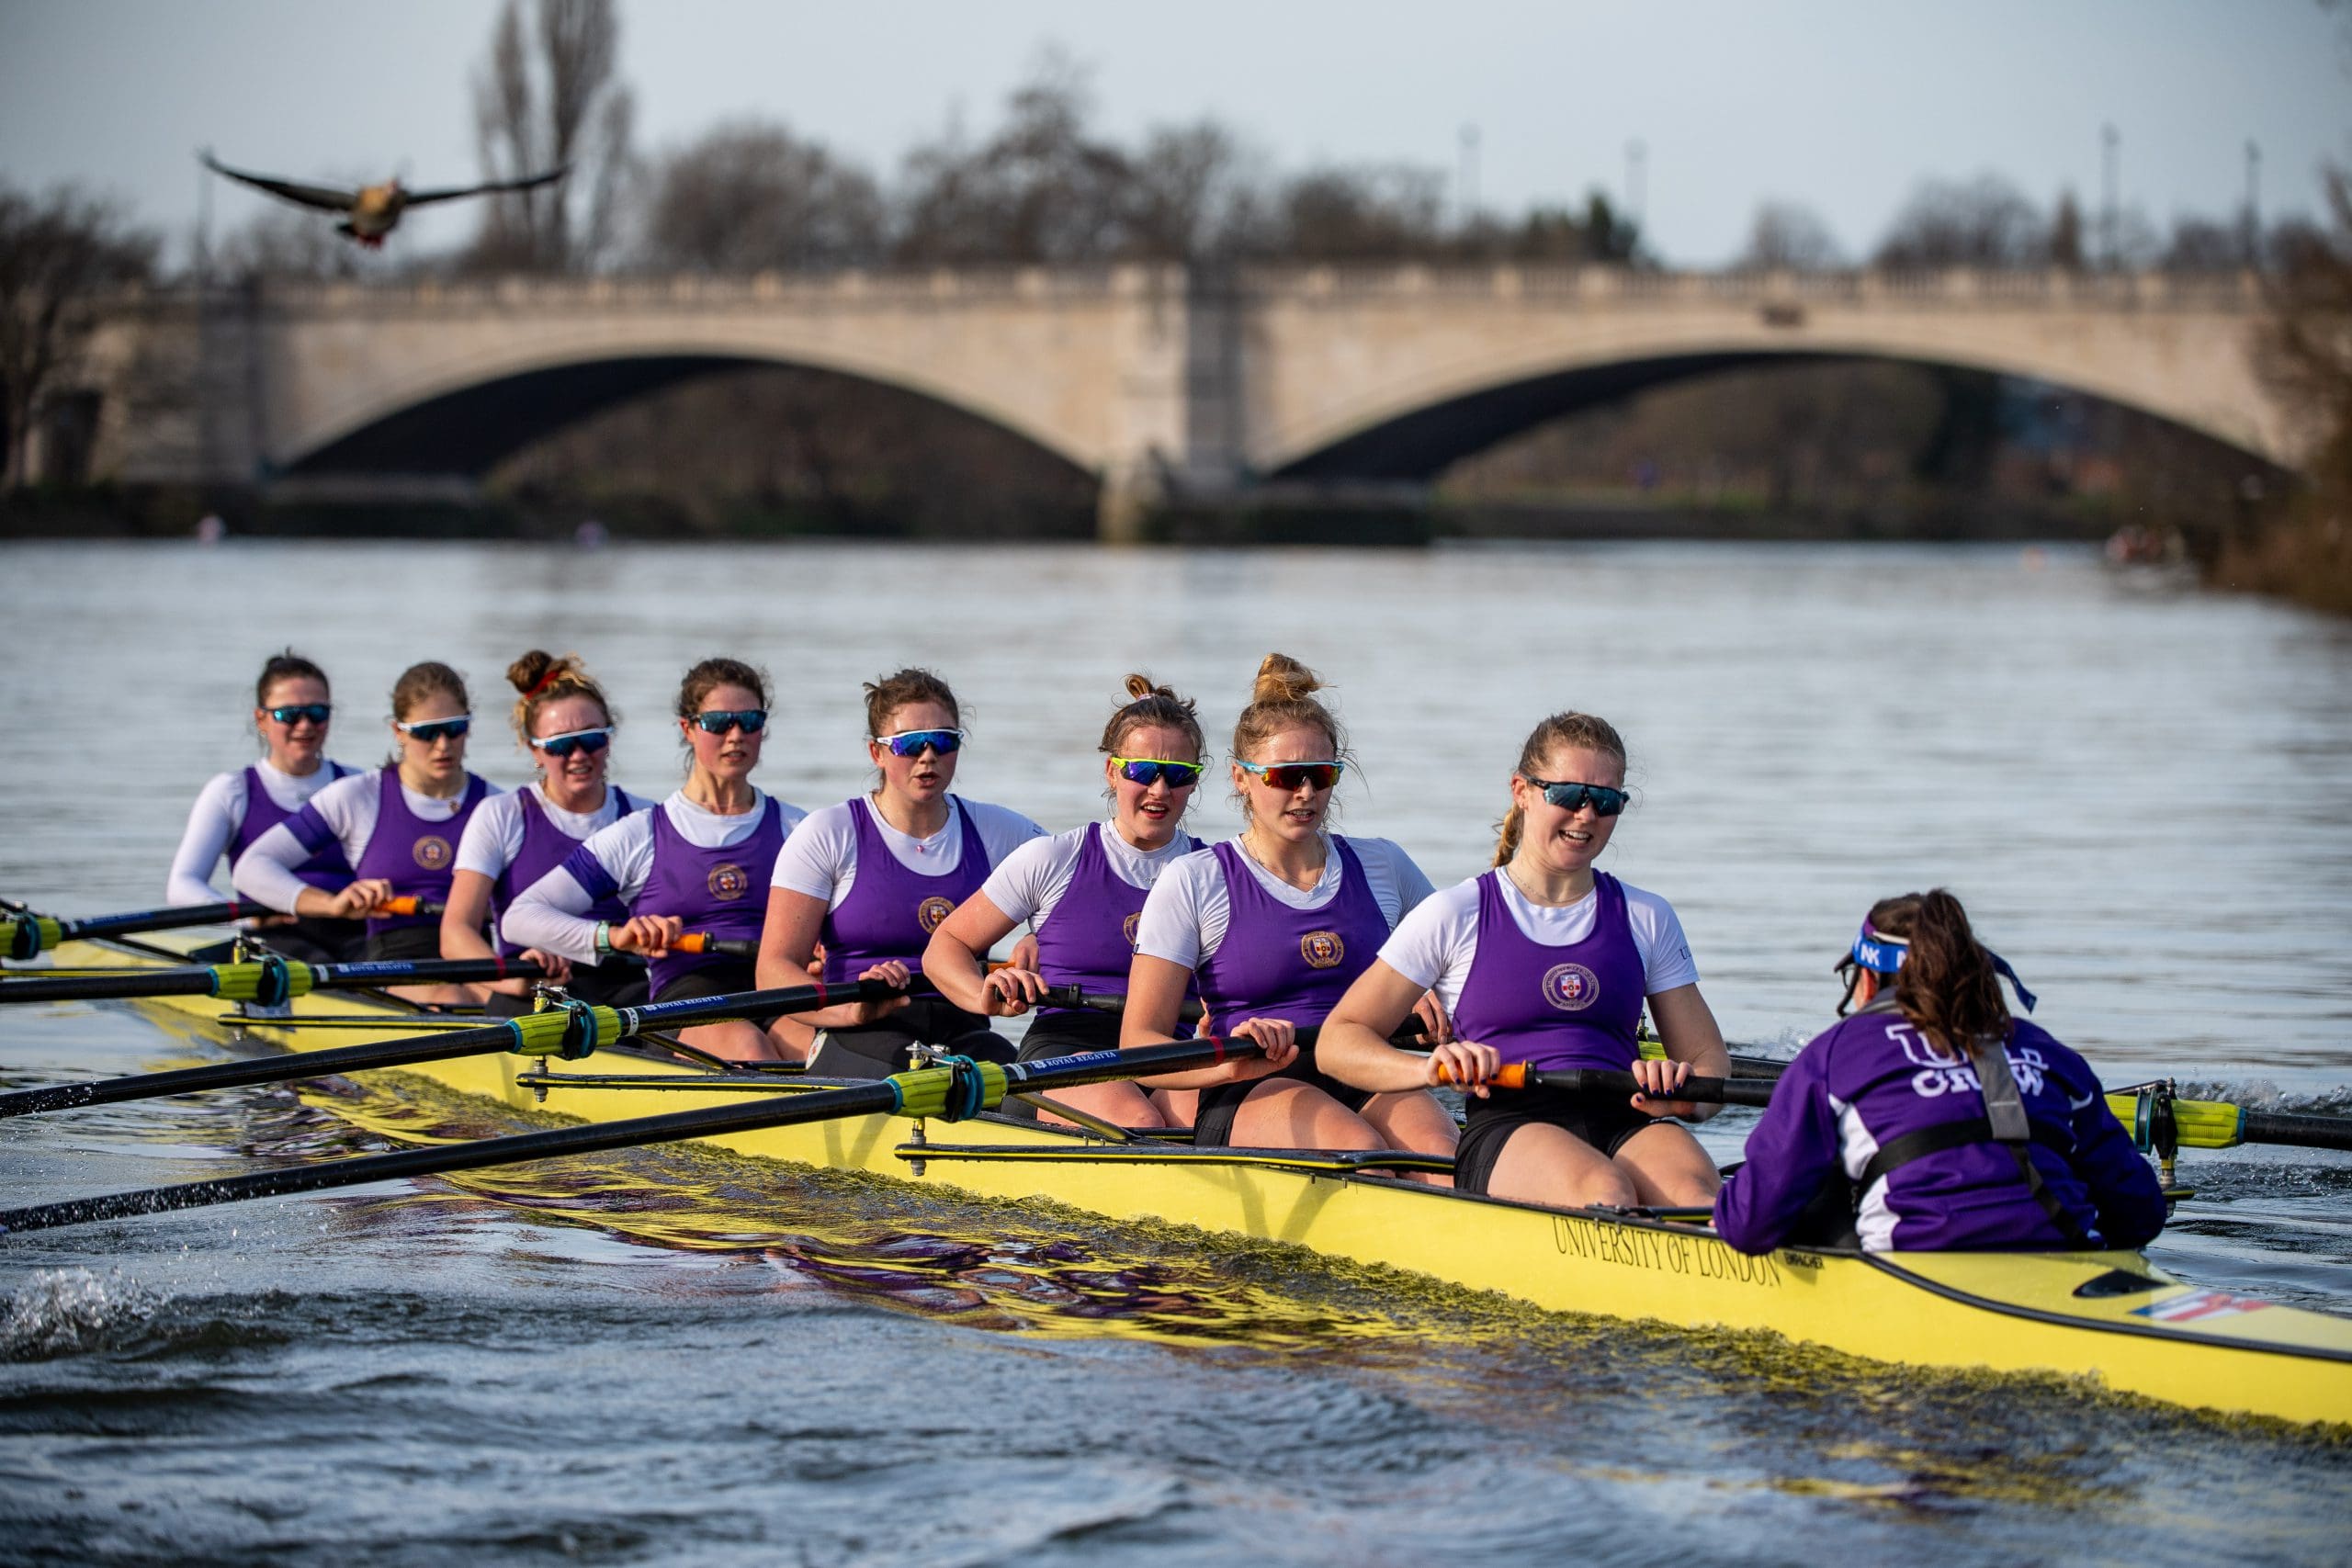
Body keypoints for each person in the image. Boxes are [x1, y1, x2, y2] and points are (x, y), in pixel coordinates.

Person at [1319, 712, 1728, 1206]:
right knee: (1604, 1189)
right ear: (1522, 791)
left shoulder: (1647, 916)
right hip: (1511, 1125)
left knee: (1697, 1198)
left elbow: (1709, 1062)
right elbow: (1339, 1042)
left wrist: (1689, 1096)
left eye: (1605, 801)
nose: (1586, 815)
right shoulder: (1456, 912)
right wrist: (1430, 1070)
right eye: (1568, 795)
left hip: (1626, 1115)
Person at [1123, 653, 1456, 1167]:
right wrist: (1230, 1065)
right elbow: (1140, 1047)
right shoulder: (1195, 880)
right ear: (1240, 778)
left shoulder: (1383, 864)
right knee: (1363, 1154)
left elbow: (1467, 965)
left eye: (1320, 775)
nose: (1305, 793)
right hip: (1251, 1084)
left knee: (1440, 1158)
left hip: (1362, 1069)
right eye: (1285, 777)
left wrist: (1436, 989)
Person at [1713, 890, 2168, 1255]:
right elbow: (2142, 1216)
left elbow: (1749, 1225)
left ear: (1868, 980)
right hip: (2067, 1256)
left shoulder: (1834, 1057)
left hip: (1917, 1271)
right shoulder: (2048, 1052)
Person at [923, 675, 1205, 1128]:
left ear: (1194, 781)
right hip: (1063, 1051)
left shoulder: (1213, 874)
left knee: (1202, 1122)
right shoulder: (1054, 858)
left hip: (1172, 1052)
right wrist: (984, 996)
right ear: (1113, 771)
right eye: (1141, 771)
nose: (1159, 790)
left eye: (1177, 774)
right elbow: (947, 944)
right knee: (1141, 1123)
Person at [503, 658, 807, 1062]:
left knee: (817, 1048)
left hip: (776, 992)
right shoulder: (640, 834)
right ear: (688, 728)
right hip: (685, 1002)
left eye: (749, 721)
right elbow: (520, 916)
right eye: (718, 723)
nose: (736, 735)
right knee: (748, 1046)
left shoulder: (797, 828)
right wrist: (614, 937)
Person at [757, 668, 1046, 1077]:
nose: (928, 756)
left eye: (943, 741)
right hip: (860, 1029)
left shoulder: (999, 830)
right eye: (910, 744)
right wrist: (851, 1010)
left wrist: (1040, 935)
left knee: (1027, 1085)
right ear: (877, 753)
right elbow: (773, 971)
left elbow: (1079, 891)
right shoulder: (828, 834)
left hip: (964, 1029)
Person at [232, 660, 494, 964]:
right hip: (395, 959)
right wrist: (329, 905)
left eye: (454, 729)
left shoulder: (498, 806)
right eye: (427, 733)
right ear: (398, 731)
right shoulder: (357, 797)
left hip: (476, 959)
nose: (442, 745)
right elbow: (251, 867)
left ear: (469, 726)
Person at [440, 651, 649, 1015]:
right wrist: (509, 980)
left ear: (609, 740)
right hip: (534, 987)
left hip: (625, 990)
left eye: (592, 739)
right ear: (535, 750)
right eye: (561, 745)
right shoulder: (502, 815)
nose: (579, 755)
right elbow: (456, 933)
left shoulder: (645, 818)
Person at [166, 649, 363, 961]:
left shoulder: (357, 785)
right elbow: (182, 886)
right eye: (289, 715)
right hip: (271, 937)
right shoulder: (232, 792)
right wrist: (245, 919)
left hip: (357, 933)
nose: (305, 726)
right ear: (261, 719)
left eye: (317, 713)